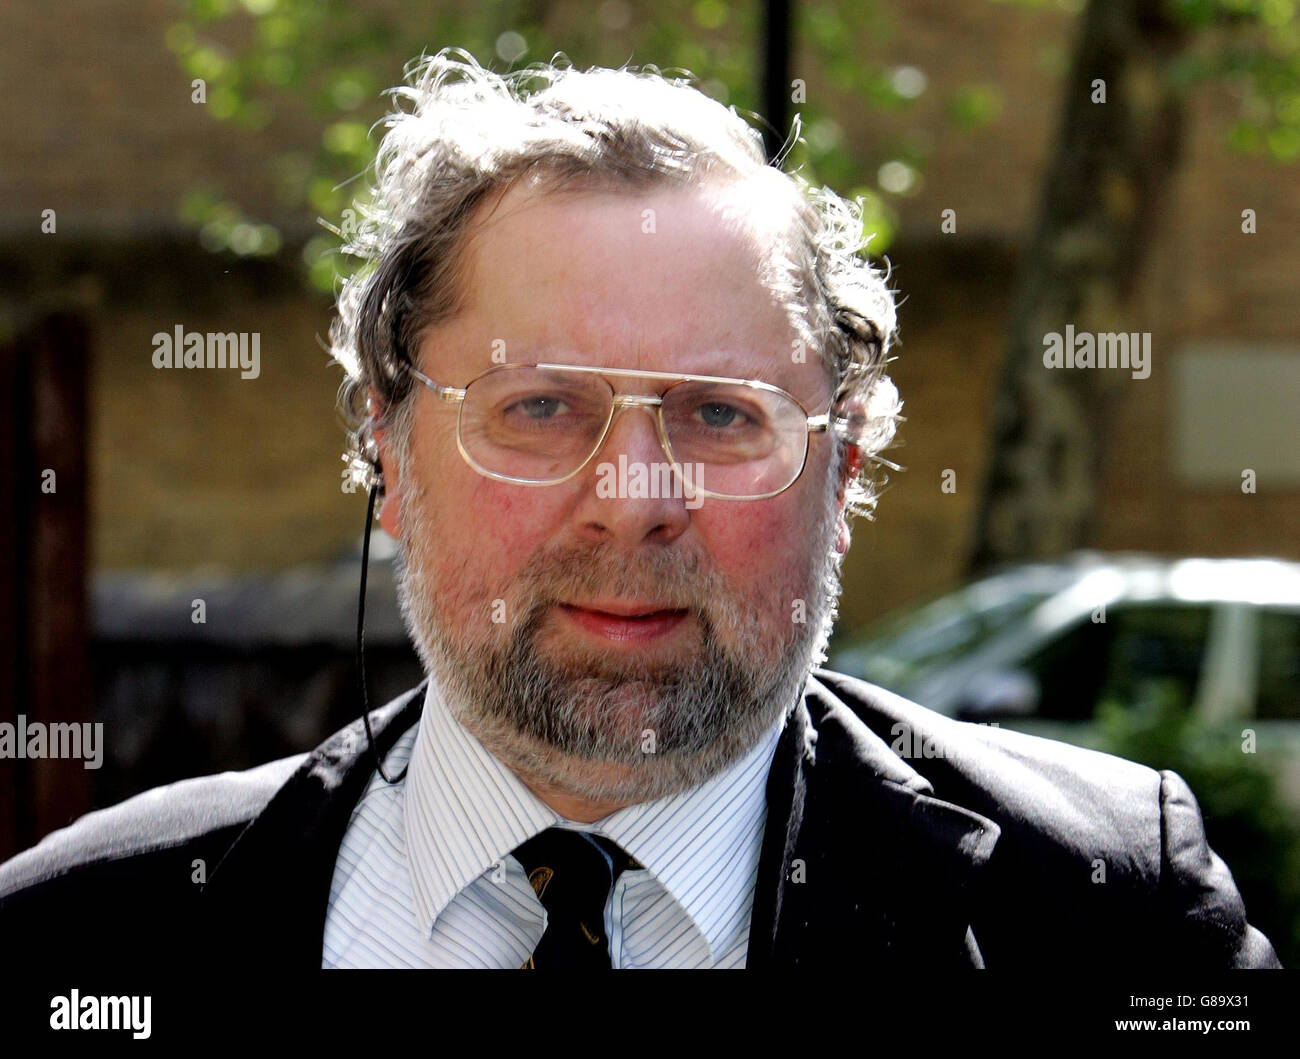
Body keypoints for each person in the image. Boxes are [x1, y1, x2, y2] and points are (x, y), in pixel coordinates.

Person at [0, 50, 1280, 970]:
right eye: (541, 407)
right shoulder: (87, 936)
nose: (631, 502)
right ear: (386, 453)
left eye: (720, 415)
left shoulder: (1106, 916)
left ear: (842, 478)